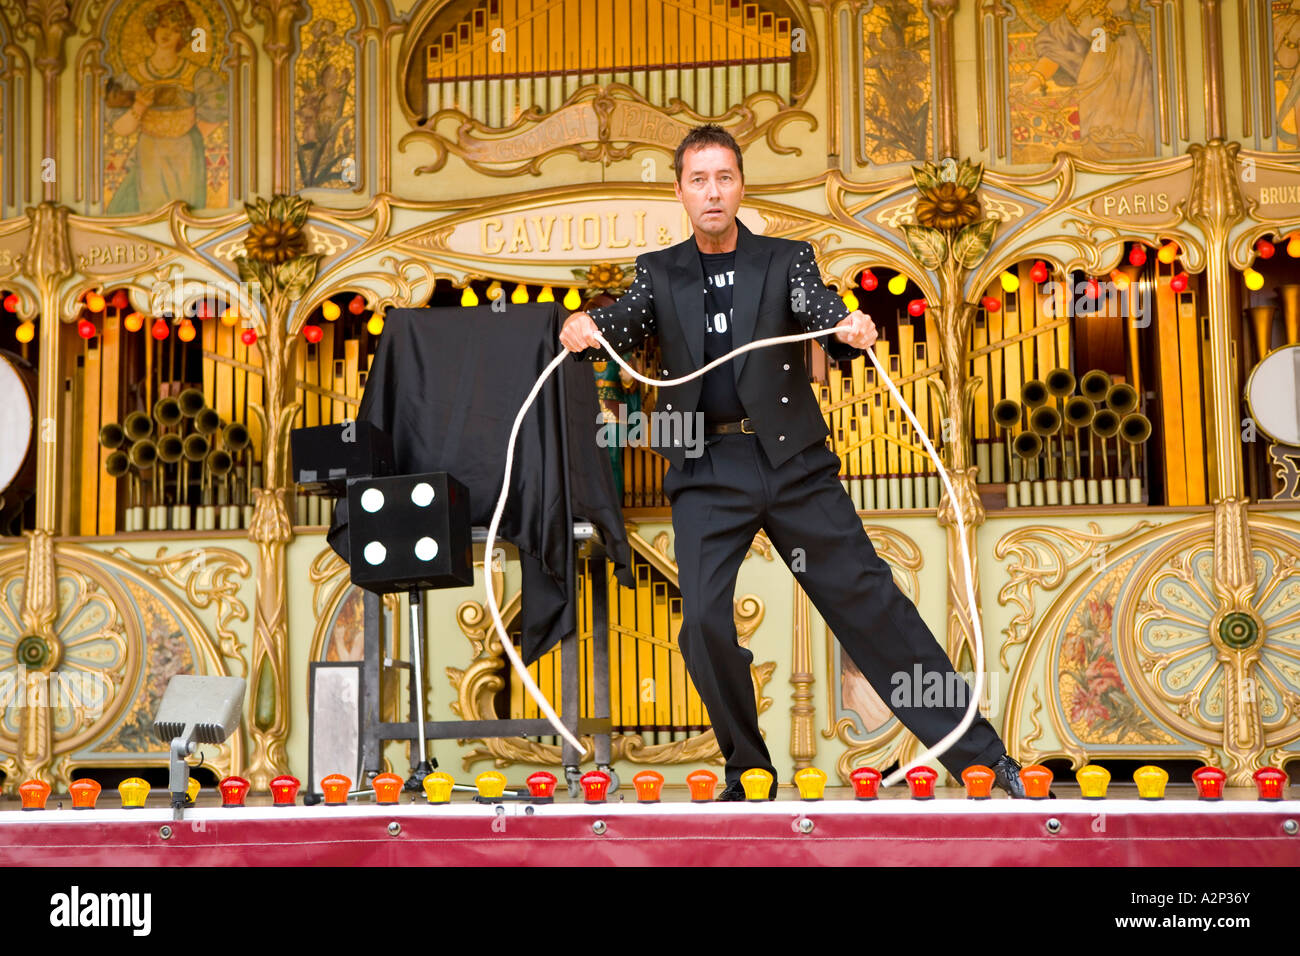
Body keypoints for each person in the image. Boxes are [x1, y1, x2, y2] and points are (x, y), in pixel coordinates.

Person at [559, 124, 1033, 799]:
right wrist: (586, 328)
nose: (713, 192)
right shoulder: (657, 273)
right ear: (681, 192)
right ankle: (748, 770)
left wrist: (847, 325)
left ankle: (982, 758)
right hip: (704, 465)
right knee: (700, 625)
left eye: (724, 178)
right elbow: (627, 320)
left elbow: (817, 307)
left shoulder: (785, 260)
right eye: (699, 180)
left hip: (791, 463)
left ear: (741, 185)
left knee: (873, 609)